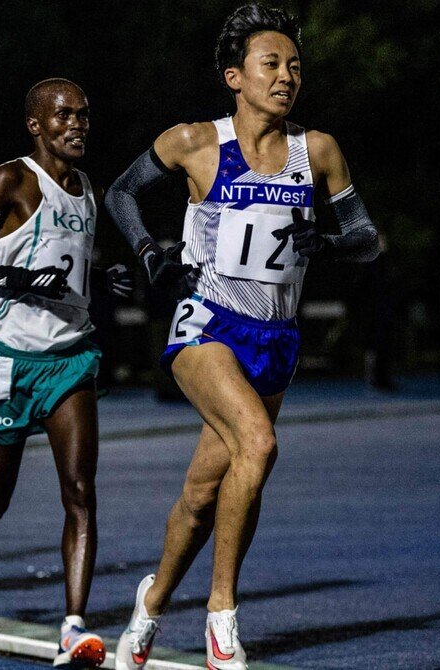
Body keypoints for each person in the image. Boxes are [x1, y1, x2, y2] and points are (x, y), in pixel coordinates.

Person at [103, 6, 380, 668]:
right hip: (208, 323)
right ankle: (221, 614)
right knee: (258, 443)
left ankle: (149, 605)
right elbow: (120, 194)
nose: (286, 77)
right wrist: (148, 254)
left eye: (295, 67)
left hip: (274, 339)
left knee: (207, 492)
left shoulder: (318, 151)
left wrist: (329, 242)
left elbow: (368, 239)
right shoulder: (195, 142)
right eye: (271, 64)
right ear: (235, 76)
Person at [0, 80, 131, 668]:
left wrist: (103, 278)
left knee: (81, 492)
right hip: (12, 359)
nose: (78, 124)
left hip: (70, 360)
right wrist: (14, 280)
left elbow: (68, 268)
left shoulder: (88, 189)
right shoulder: (10, 180)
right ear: (36, 125)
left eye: (84, 114)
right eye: (64, 115)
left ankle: (73, 628)